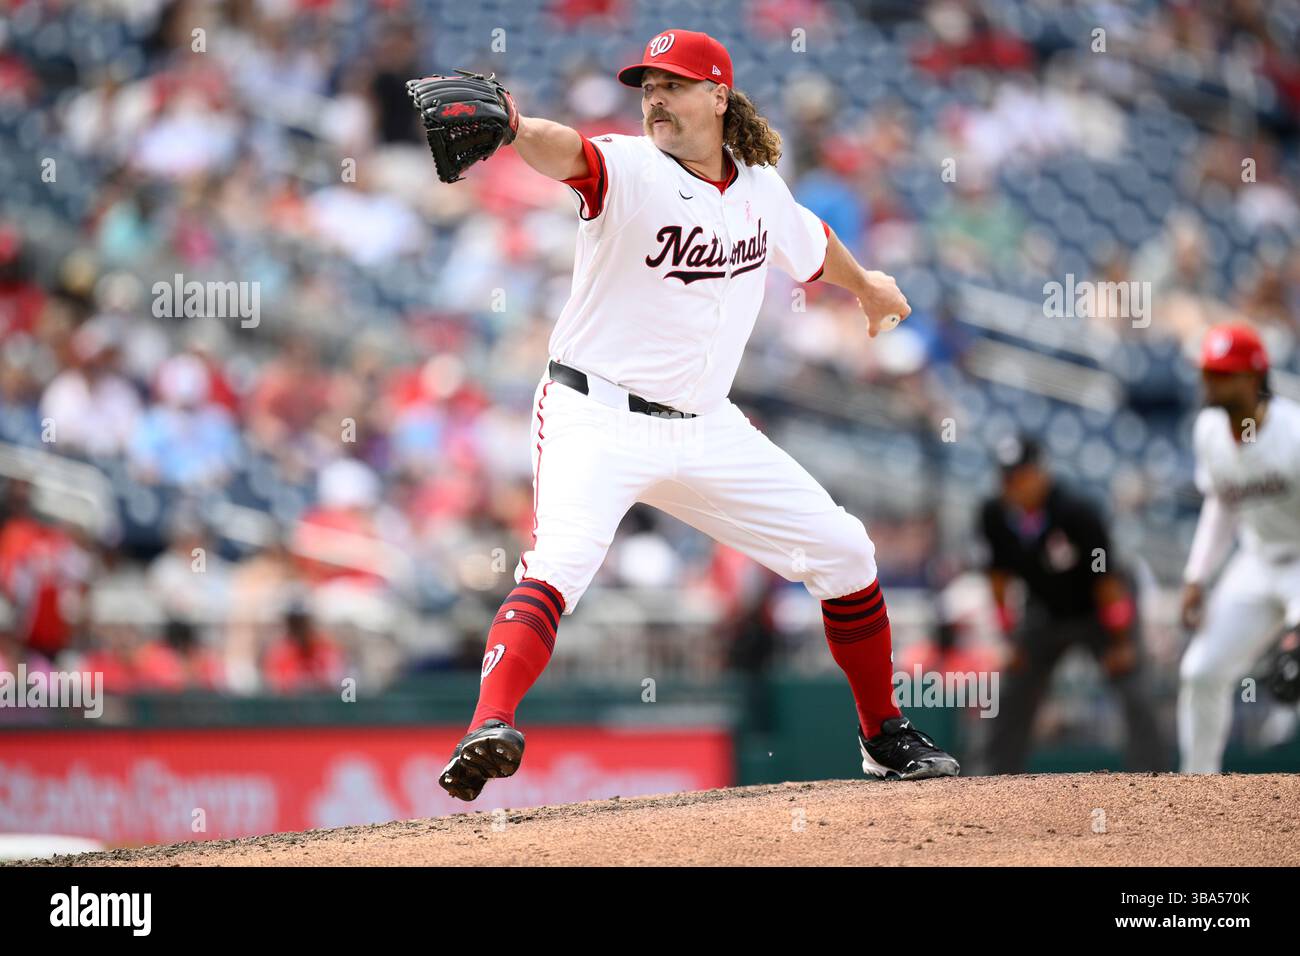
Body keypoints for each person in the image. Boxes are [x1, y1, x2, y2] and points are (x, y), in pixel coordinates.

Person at [430, 28, 959, 802]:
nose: (654, 100)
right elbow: (566, 150)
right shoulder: (634, 166)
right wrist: (512, 125)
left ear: (718, 96)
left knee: (845, 551)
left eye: (671, 85)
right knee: (558, 569)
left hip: (706, 426)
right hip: (596, 414)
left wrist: (868, 285)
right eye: (646, 88)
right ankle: (489, 724)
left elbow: (810, 244)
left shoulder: (758, 187)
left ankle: (882, 736)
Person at [979, 434, 1163, 773]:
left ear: (1040, 473)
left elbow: (1106, 580)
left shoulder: (1076, 511)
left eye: (1020, 475)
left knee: (1133, 688)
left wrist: (1121, 641)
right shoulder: (995, 515)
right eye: (1006, 477)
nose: (1012, 485)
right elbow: (998, 578)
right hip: (1045, 613)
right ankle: (994, 778)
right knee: (1013, 690)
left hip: (1099, 609)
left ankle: (1152, 776)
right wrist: (1008, 637)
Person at [1179, 323, 1300, 773]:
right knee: (1200, 672)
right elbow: (1222, 505)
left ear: (1254, 378)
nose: (1210, 381)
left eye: (1223, 373)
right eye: (1208, 371)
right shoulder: (1209, 430)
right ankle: (1195, 787)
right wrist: (1197, 576)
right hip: (1255, 561)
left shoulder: (1293, 432)